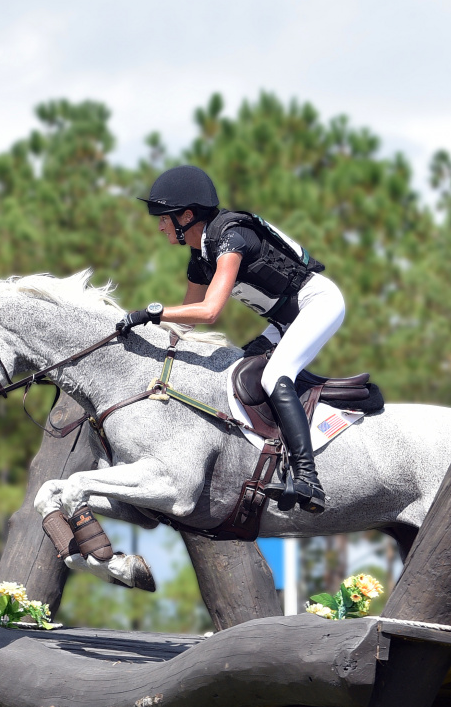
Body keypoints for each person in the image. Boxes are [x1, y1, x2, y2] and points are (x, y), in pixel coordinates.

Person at [117, 165, 340, 513]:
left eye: (163, 218)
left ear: (187, 216)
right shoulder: (200, 257)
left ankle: (308, 478)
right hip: (283, 321)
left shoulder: (231, 239)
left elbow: (208, 312)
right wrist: (143, 342)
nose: (160, 226)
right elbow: (186, 323)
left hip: (317, 304)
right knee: (238, 370)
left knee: (274, 376)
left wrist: (152, 312)